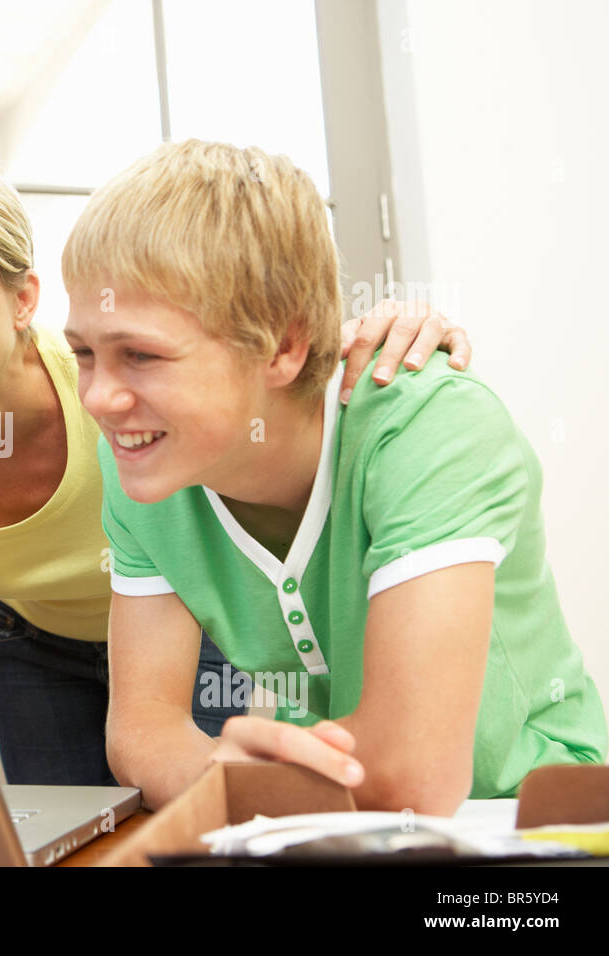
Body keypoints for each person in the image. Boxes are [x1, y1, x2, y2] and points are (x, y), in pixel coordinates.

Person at [0, 150, 474, 787]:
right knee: (71, 835)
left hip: (186, 623)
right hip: (31, 640)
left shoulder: (117, 398)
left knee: (189, 814)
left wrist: (389, 327)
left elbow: (245, 366)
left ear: (23, 298)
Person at [62, 139, 607, 812]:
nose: (98, 398)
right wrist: (231, 782)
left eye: (140, 355)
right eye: (84, 353)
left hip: (527, 820)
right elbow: (141, 737)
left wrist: (228, 784)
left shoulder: (430, 426)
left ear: (285, 346)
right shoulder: (143, 461)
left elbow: (411, 773)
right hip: (326, 830)